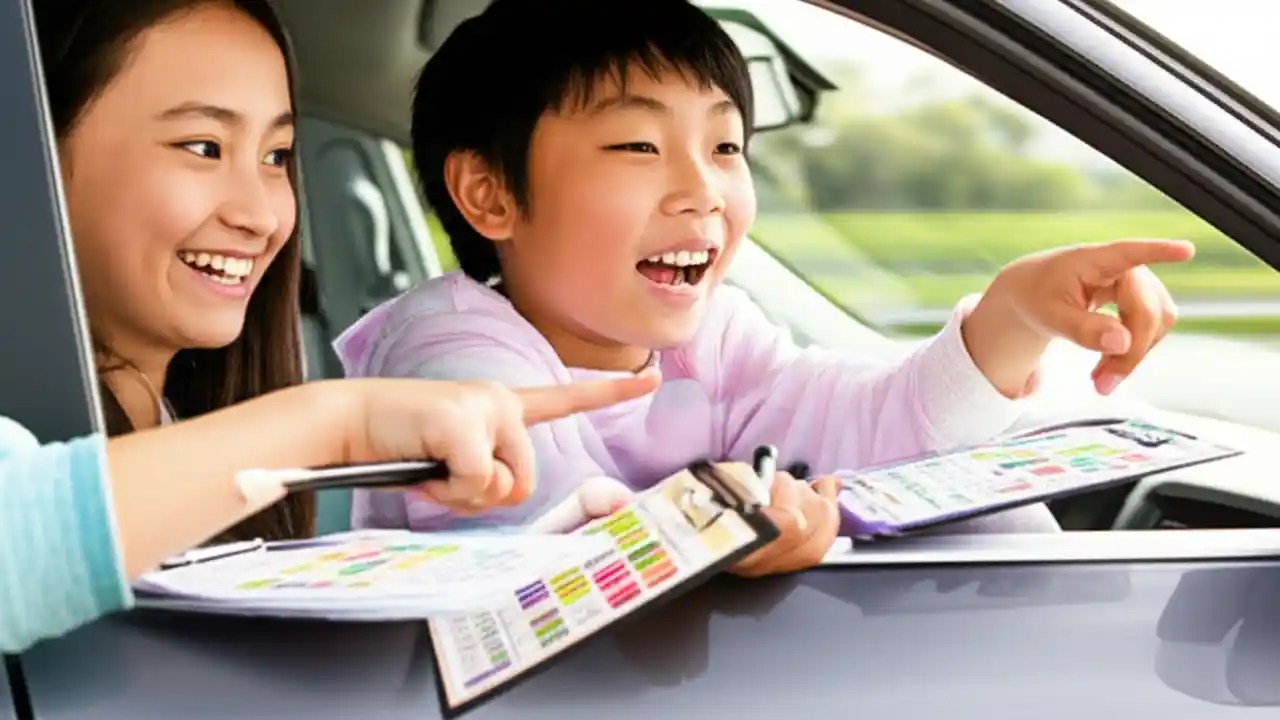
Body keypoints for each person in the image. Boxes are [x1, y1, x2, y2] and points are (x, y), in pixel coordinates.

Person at [333, 0, 1191, 573]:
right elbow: (532, 532)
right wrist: (719, 537)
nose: (701, 189)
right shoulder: (450, 354)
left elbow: (869, 423)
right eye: (638, 147)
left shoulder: (708, 341)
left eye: (726, 148)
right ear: (491, 194)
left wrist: (1013, 317)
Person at [0, 0, 659, 654]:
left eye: (277, 156)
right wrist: (340, 423)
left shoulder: (181, 426)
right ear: (31, 156)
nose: (262, 215)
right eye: (203, 147)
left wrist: (533, 563)